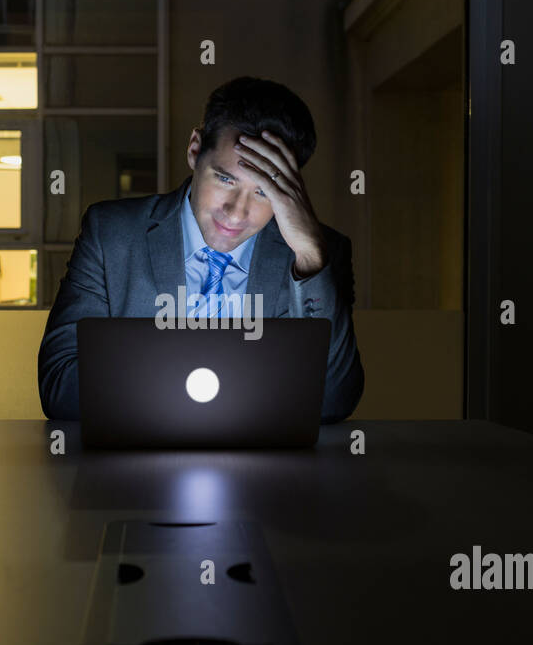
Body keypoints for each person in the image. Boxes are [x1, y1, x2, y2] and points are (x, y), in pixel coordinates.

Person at [38, 75, 364, 422]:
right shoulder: (112, 234)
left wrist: (311, 260)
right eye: (225, 179)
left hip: (266, 474)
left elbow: (332, 403)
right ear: (195, 149)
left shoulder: (323, 254)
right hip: (136, 470)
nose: (237, 212)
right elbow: (59, 390)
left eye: (264, 192)